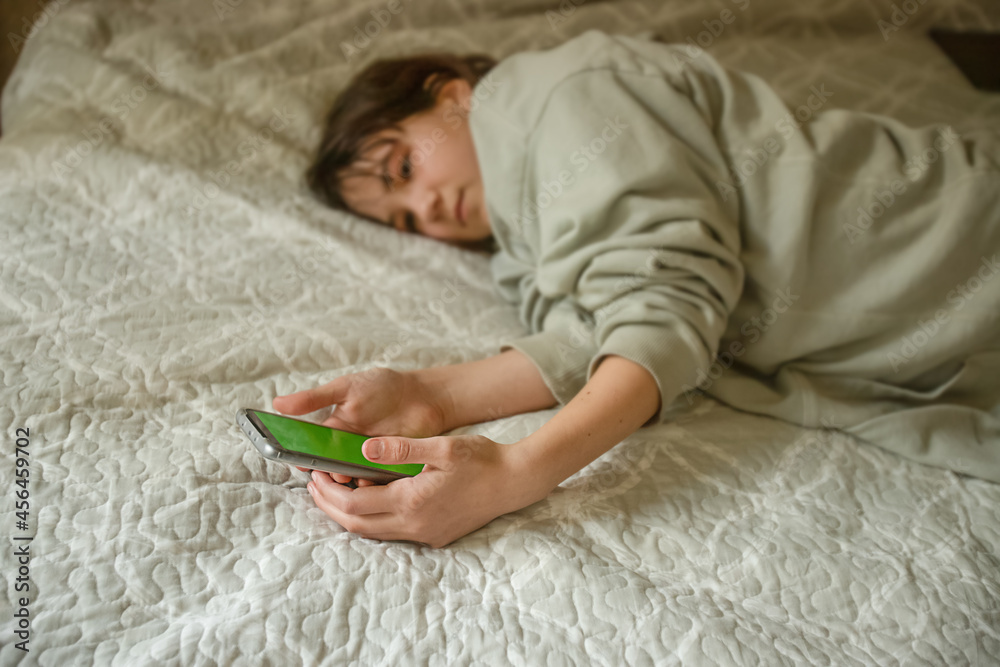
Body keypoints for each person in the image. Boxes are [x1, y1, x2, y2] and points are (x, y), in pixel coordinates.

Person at [274, 29, 1000, 548]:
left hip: (960, 236)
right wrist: (430, 393)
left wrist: (517, 470)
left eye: (404, 169)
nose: (426, 211)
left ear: (452, 93)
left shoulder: (557, 91)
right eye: (404, 220)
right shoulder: (523, 245)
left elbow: (669, 302)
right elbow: (607, 333)